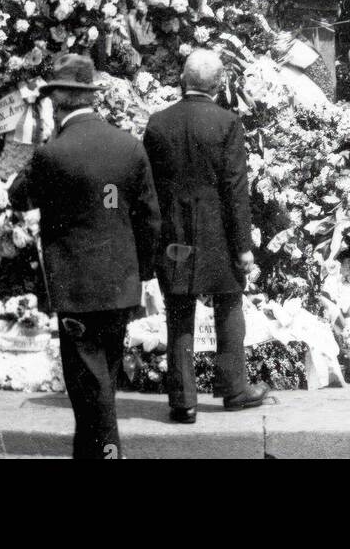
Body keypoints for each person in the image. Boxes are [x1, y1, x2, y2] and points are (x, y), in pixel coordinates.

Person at [9, 54, 160, 460]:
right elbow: (149, 217)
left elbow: (18, 196)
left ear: (57, 99)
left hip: (76, 286)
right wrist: (142, 273)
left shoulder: (53, 153)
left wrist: (43, 141)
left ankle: (108, 454)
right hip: (119, 284)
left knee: (86, 383)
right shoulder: (128, 145)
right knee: (102, 377)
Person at [142, 49, 270, 422]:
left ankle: (183, 401)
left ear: (183, 80)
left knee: (179, 311)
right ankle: (234, 390)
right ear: (219, 84)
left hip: (174, 236)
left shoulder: (158, 122)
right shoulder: (227, 122)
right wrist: (243, 247)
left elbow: (147, 188)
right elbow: (235, 189)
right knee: (229, 303)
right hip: (218, 236)